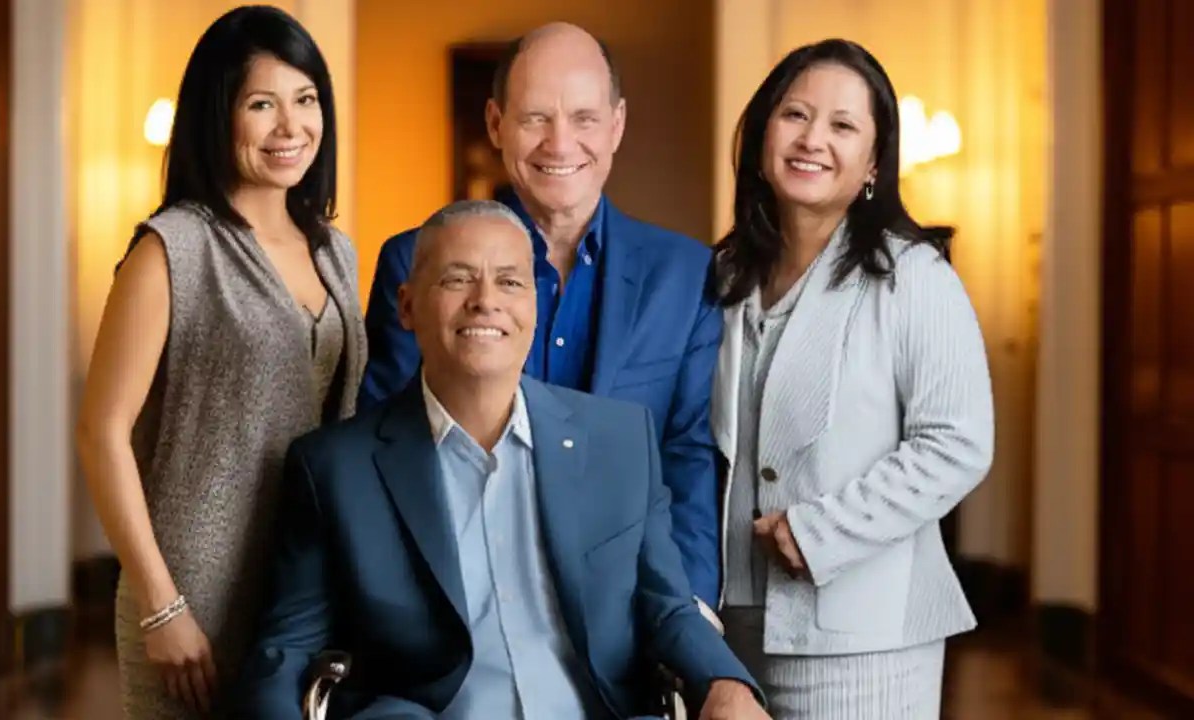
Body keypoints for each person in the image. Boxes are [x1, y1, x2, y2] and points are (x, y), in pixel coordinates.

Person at [242, 201, 770, 720]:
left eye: (511, 282)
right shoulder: (335, 467)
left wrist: (726, 685)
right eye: (457, 279)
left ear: (534, 308)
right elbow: (286, 653)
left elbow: (668, 607)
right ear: (406, 306)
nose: (485, 301)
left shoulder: (620, 439)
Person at [361, 22, 724, 613]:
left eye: (583, 118)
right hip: (457, 603)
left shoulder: (685, 275)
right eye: (535, 118)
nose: (560, 144)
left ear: (617, 125)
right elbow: (383, 446)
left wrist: (692, 620)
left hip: (626, 614)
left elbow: (686, 457)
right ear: (495, 124)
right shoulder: (413, 260)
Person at [75, 6, 366, 717]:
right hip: (190, 598)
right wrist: (159, 605)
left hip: (302, 591)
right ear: (218, 113)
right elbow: (101, 432)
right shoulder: (171, 250)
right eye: (261, 104)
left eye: (306, 100)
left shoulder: (336, 251)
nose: (290, 127)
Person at [708, 39, 994, 718]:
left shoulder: (915, 277)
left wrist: (820, 533)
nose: (813, 139)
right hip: (731, 627)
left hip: (864, 635)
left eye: (842, 125)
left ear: (873, 161)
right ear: (761, 134)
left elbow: (957, 443)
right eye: (795, 115)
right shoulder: (723, 277)